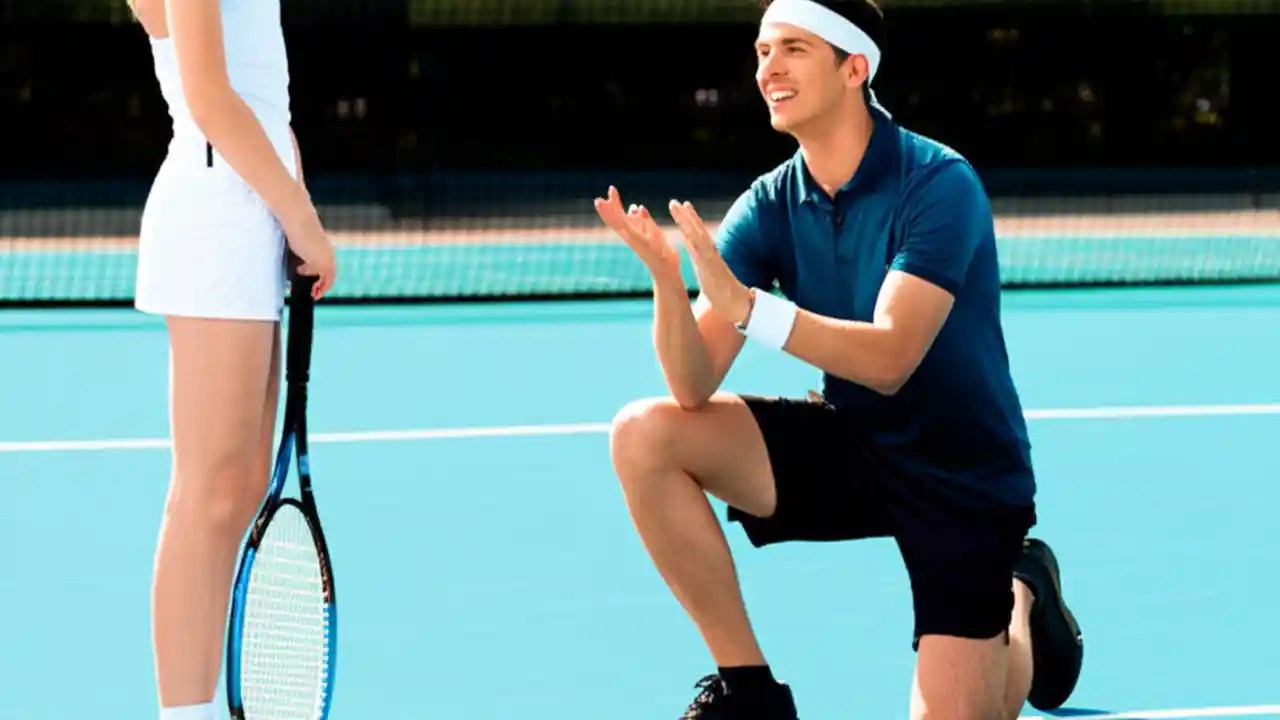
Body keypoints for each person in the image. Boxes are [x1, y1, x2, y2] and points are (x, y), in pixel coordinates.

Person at [593, 0, 1083, 718]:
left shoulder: (939, 184)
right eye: (762, 50)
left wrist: (752, 309)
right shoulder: (770, 202)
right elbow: (691, 381)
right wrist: (671, 286)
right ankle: (748, 692)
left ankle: (1022, 593)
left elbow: (891, 357)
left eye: (792, 48)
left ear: (854, 68)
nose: (768, 68)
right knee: (646, 433)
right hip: (856, 443)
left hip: (962, 473)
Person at [128, 0, 337, 718]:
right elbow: (210, 92)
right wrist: (302, 219)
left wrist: (291, 204)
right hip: (218, 208)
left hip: (250, 205)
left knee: (242, 483)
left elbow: (262, 94)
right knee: (207, 492)